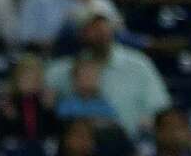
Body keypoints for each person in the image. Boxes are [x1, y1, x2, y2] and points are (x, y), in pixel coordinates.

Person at [44, 10, 171, 138]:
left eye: (103, 26)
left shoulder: (138, 64)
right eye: (92, 28)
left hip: (130, 142)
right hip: (82, 147)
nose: (100, 33)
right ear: (81, 33)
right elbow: (48, 103)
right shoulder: (64, 69)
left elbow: (160, 106)